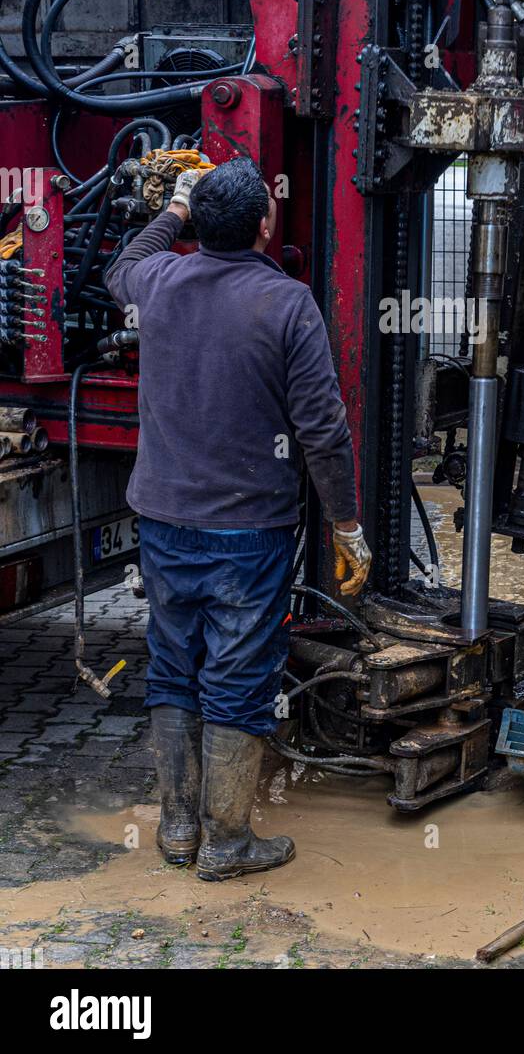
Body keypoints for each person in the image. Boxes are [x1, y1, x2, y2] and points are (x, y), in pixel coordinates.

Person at [105, 156, 371, 881]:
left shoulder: (158, 283)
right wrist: (347, 525)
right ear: (266, 223)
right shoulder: (287, 303)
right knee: (237, 674)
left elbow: (123, 265)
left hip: (161, 520)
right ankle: (227, 843)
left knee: (171, 665)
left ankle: (178, 832)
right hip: (247, 532)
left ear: (200, 226)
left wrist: (177, 208)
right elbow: (322, 431)